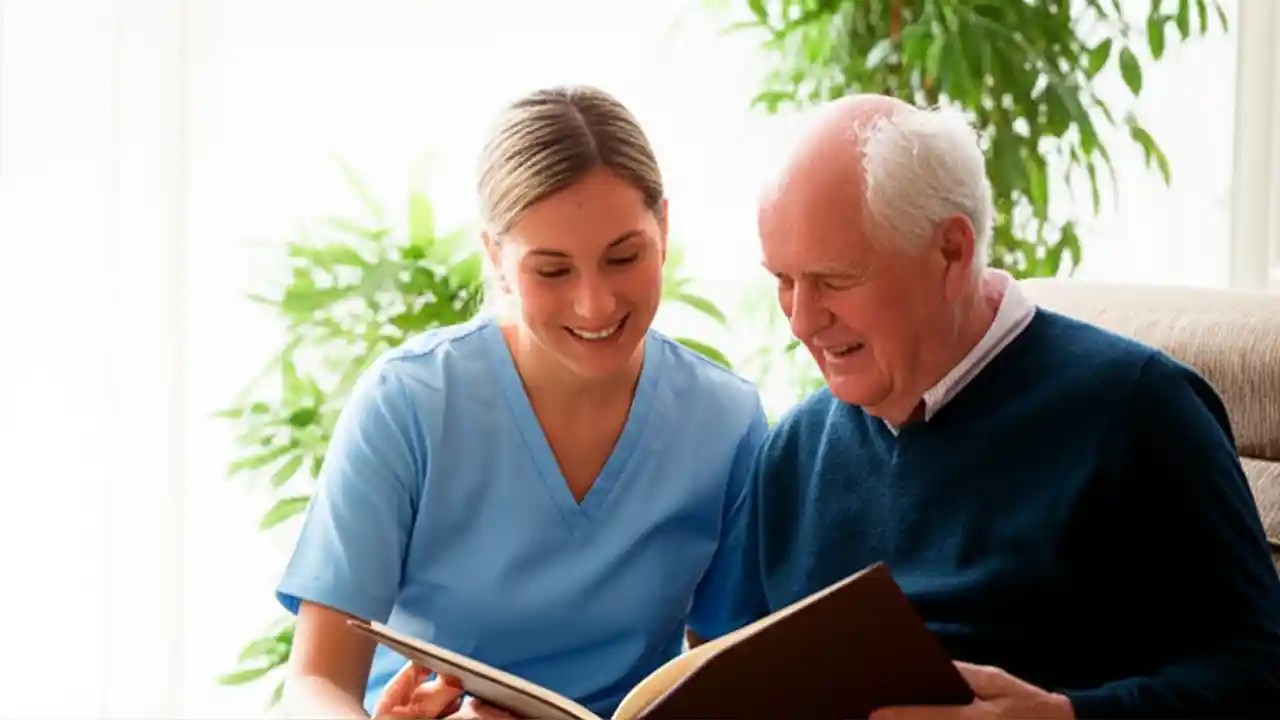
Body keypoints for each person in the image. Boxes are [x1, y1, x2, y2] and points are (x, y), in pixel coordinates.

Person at [733, 94, 1280, 719]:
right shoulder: (795, 451)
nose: (802, 321)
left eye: (833, 280)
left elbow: (1259, 676)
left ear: (951, 253)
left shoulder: (1140, 413)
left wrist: (1065, 717)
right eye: (783, 281)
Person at [274, 85, 767, 719]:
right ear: (497, 259)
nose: (596, 304)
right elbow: (314, 686)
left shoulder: (724, 424)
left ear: (663, 228)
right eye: (552, 271)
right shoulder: (410, 404)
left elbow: (726, 685)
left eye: (623, 257)